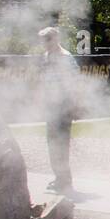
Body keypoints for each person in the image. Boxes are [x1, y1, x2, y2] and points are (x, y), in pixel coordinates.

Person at [38, 26, 79, 194]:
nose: (44, 45)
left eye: (47, 41)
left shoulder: (66, 58)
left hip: (63, 105)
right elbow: (43, 80)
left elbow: (75, 82)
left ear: (54, 39)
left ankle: (65, 179)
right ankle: (58, 177)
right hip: (51, 105)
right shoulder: (46, 57)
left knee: (61, 143)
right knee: (52, 143)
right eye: (43, 41)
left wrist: (73, 105)